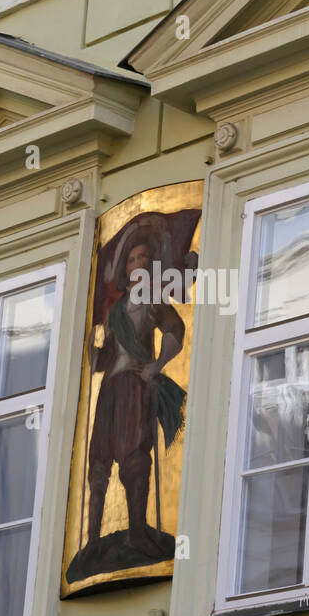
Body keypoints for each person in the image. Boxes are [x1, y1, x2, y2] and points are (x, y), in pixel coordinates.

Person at [84, 229, 185, 559]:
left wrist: (157, 365)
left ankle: (138, 534)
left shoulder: (152, 298)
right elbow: (104, 360)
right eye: (132, 259)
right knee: (99, 461)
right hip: (110, 389)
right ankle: (92, 541)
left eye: (143, 257)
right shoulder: (115, 312)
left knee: (135, 456)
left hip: (134, 384)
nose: (137, 263)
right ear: (125, 269)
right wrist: (91, 350)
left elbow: (175, 330)